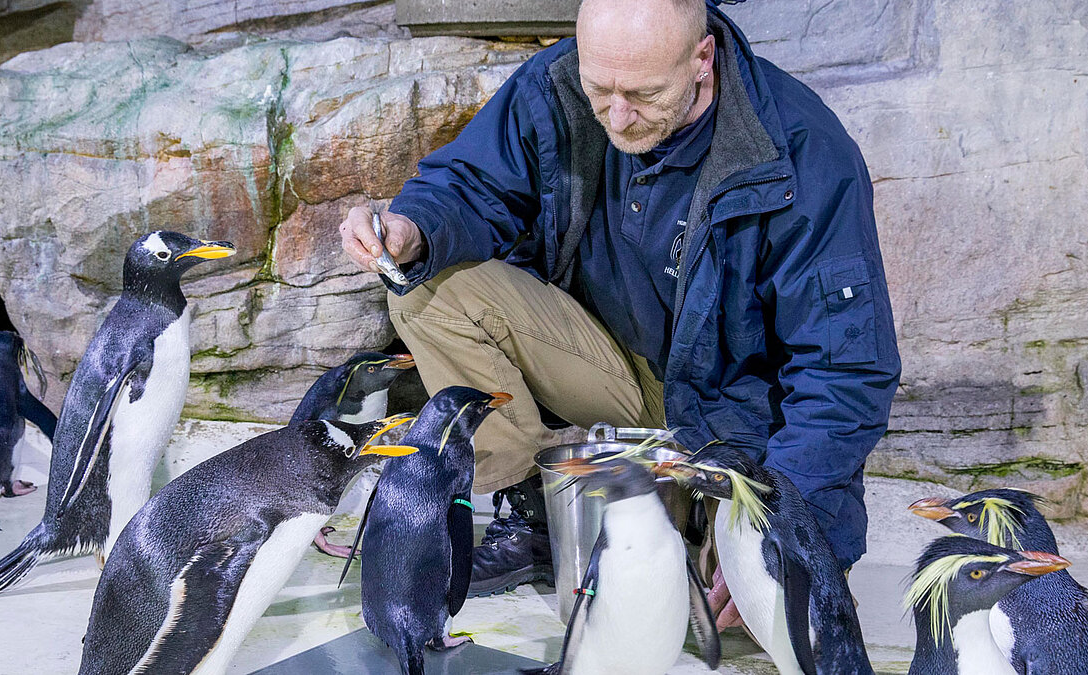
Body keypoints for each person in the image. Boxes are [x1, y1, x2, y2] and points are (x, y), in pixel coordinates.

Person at [339, 0, 901, 612]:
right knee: (426, 289)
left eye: (643, 94)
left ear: (702, 60)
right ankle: (542, 512)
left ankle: (703, 524)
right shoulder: (557, 85)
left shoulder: (801, 153)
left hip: (737, 423)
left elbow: (842, 371)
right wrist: (412, 229)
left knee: (752, 606)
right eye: (599, 89)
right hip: (615, 368)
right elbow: (472, 184)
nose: (619, 115)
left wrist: (794, 535)